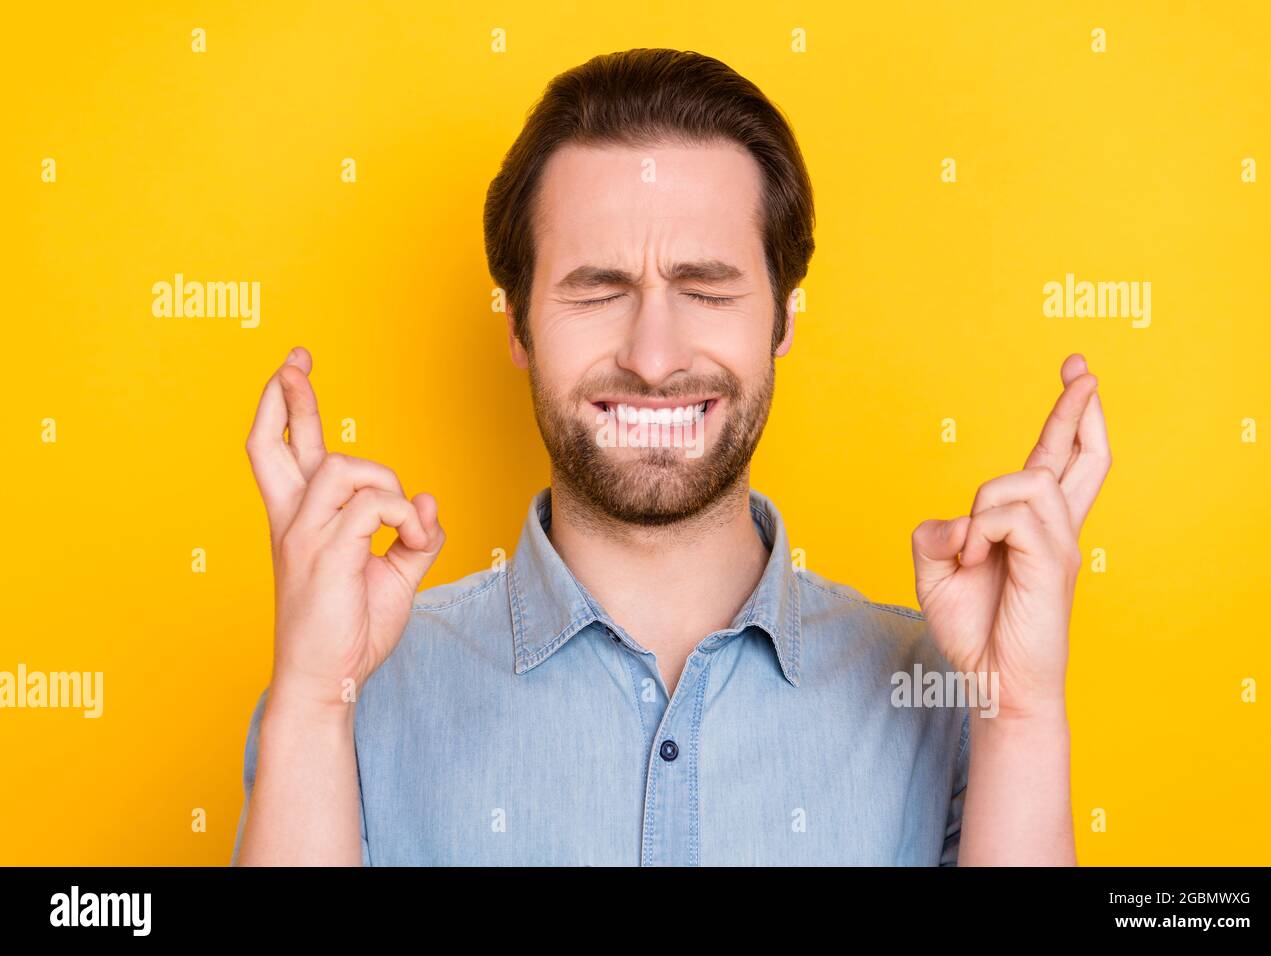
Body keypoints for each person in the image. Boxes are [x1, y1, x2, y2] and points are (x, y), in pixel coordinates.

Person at [232, 48, 1110, 866]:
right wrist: (314, 701)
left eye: (704, 289)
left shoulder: (947, 693)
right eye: (598, 290)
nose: (654, 358)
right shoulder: (356, 690)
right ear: (516, 326)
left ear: (783, 321)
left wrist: (1020, 712)